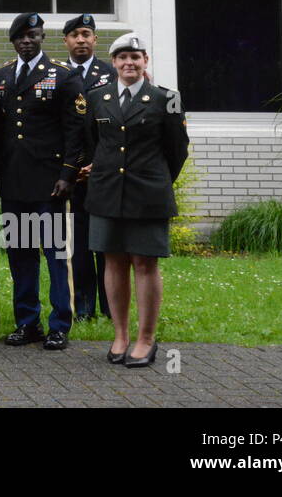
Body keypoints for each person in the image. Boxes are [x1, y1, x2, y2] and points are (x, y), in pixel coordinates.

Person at [81, 33, 189, 368]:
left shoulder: (165, 99)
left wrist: (155, 180)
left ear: (145, 62)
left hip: (148, 194)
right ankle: (120, 336)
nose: (130, 62)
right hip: (107, 191)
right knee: (113, 261)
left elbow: (177, 150)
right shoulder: (98, 97)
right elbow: (94, 142)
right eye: (123, 57)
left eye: (136, 57)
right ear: (113, 63)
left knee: (145, 263)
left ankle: (145, 339)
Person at [0, 12, 86, 351]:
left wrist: (67, 175)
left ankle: (60, 323)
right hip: (15, 183)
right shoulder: (1, 76)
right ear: (13, 41)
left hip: (50, 184)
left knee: (56, 255)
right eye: (21, 36)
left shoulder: (63, 76)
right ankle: (27, 322)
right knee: (21, 256)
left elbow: (76, 131)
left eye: (33, 35)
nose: (27, 41)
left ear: (43, 37)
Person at [62, 13, 112, 321]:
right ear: (65, 40)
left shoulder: (110, 74)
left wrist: (99, 164)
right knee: (78, 243)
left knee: (104, 242)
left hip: (103, 172)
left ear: (95, 39)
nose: (81, 39)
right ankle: (82, 306)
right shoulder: (55, 73)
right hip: (70, 174)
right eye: (75, 35)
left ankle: (109, 306)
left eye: (86, 34)